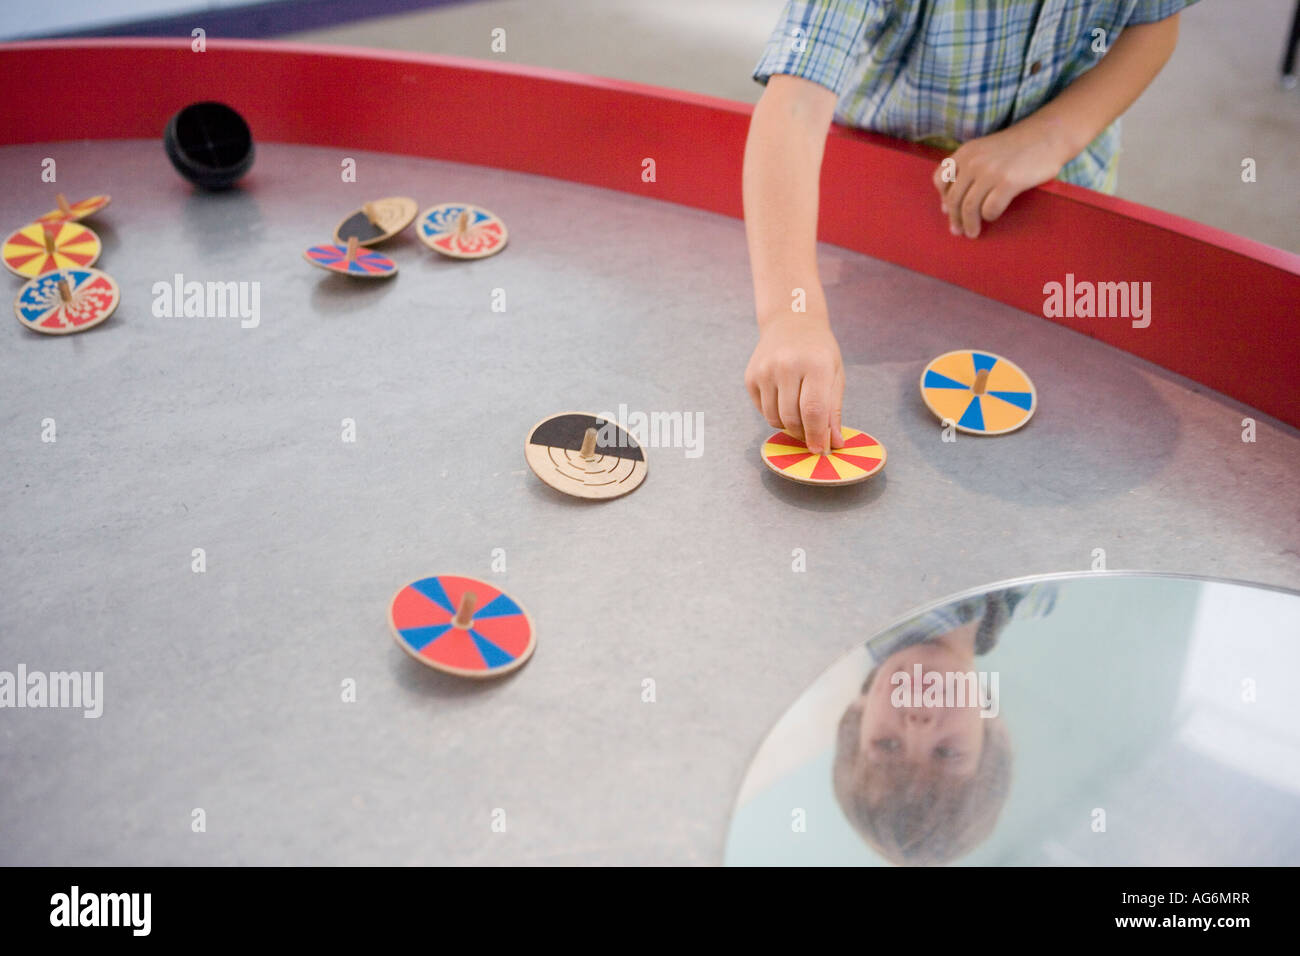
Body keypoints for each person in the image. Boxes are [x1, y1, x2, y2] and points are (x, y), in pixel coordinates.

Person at [743, 1, 1196, 452]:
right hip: (881, 209)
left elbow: (1155, 25)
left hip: (1061, 201)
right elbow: (795, 108)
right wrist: (791, 314)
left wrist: (1052, 135)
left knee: (1062, 380)